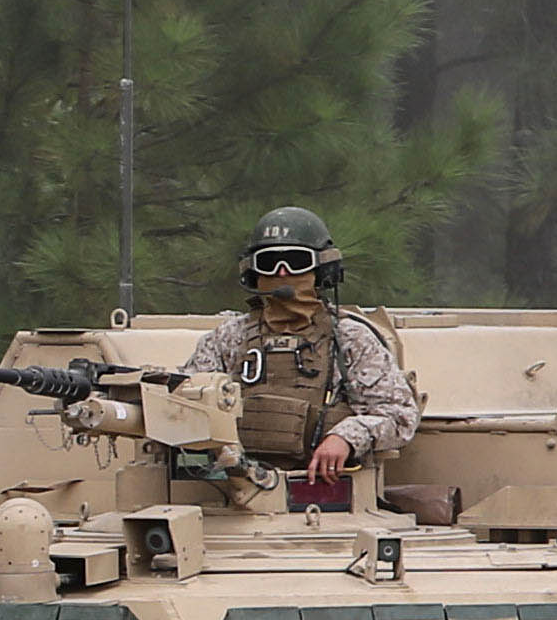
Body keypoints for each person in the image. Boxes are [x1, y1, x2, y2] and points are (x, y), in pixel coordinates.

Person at [178, 207, 417, 487]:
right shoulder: (228, 338)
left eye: (295, 262)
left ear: (322, 270)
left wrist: (346, 437)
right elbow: (185, 405)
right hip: (236, 490)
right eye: (270, 263)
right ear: (253, 273)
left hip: (327, 492)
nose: (282, 272)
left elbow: (399, 414)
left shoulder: (351, 339)